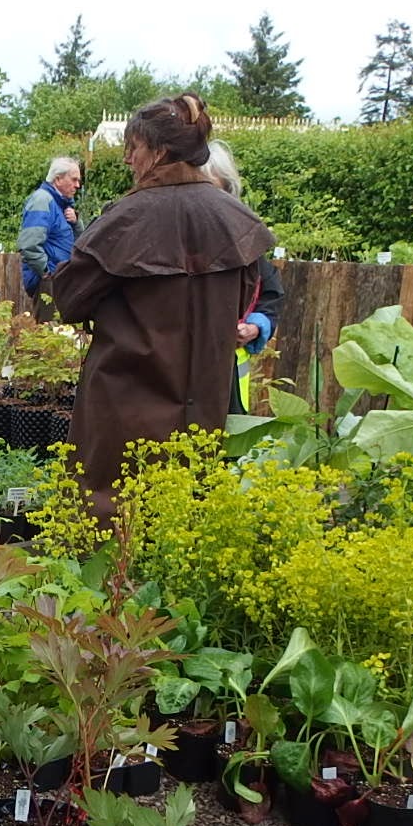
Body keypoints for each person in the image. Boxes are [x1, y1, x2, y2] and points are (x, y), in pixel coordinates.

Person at [53, 93, 274, 518]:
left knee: (110, 518)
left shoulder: (125, 220)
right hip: (204, 403)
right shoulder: (234, 220)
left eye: (132, 148)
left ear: (158, 151)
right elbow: (250, 296)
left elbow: (71, 299)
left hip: (124, 403)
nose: (127, 160)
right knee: (183, 516)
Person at [203, 140, 285, 412]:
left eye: (214, 192)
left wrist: (255, 327)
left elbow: (270, 295)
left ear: (229, 192)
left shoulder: (245, 241)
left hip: (230, 389)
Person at [17, 157, 82, 320]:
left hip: (60, 280)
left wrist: (76, 222)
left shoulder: (61, 206)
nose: (77, 185)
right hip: (49, 282)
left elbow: (81, 243)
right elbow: (29, 245)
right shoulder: (42, 200)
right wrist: (47, 273)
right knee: (48, 338)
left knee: (59, 339)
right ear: (58, 179)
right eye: (74, 180)